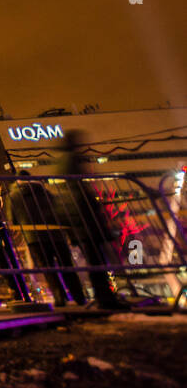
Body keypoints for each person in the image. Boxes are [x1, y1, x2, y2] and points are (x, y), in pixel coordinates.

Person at [53, 132, 124, 309]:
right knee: (97, 260)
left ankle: (105, 297)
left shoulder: (62, 171)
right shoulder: (73, 167)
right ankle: (105, 299)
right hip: (85, 220)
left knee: (95, 260)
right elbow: (81, 192)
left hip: (78, 221)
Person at [5, 169, 85, 305]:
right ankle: (79, 297)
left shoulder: (13, 196)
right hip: (56, 235)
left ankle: (59, 298)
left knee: (47, 268)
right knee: (67, 265)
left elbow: (13, 219)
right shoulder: (46, 193)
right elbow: (59, 212)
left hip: (34, 238)